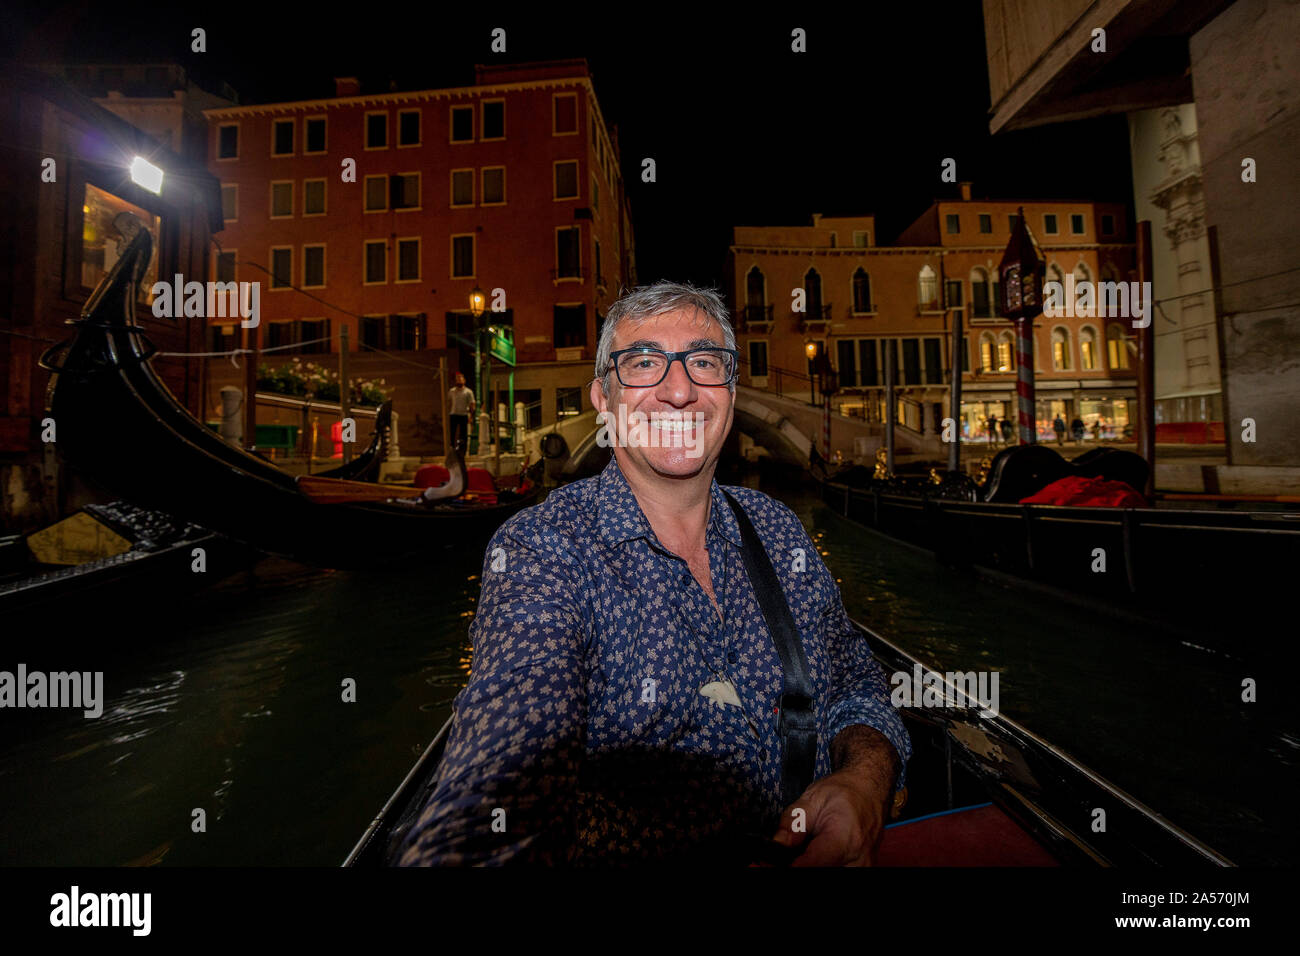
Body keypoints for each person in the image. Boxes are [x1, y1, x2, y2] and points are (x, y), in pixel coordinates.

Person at [398, 281, 909, 866]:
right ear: (602, 397)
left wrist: (865, 784)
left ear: (732, 392)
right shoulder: (545, 550)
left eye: (704, 361)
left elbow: (855, 684)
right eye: (643, 363)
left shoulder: (778, 529)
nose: (679, 389)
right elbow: (503, 766)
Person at [447, 372, 476, 458]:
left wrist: (471, 416)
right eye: (457, 378)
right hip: (453, 414)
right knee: (452, 433)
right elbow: (448, 402)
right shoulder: (452, 391)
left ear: (464, 380)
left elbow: (472, 404)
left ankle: (463, 451)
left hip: (463, 415)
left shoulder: (468, 392)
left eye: (461, 378)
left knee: (463, 434)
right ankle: (452, 449)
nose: (459, 380)